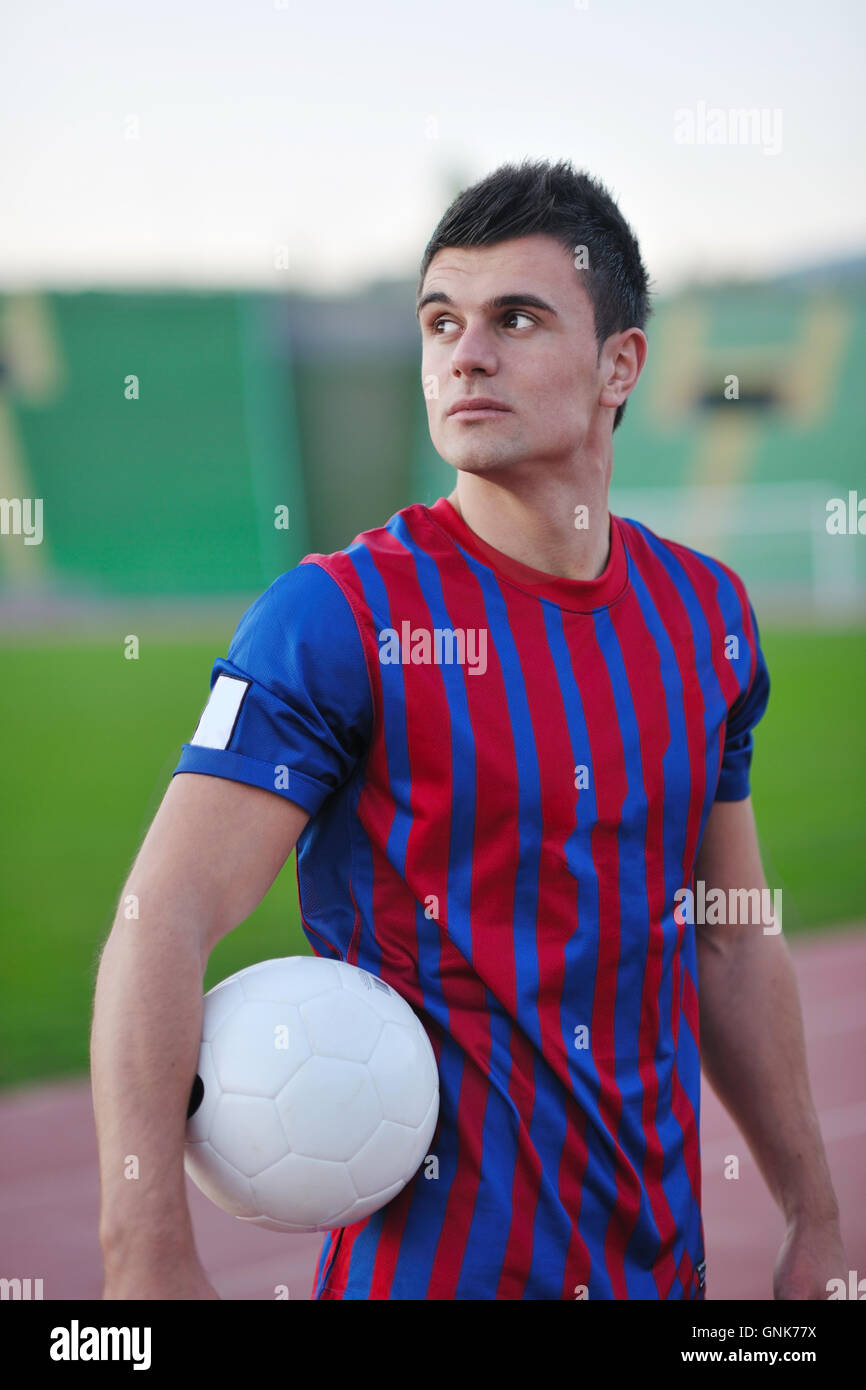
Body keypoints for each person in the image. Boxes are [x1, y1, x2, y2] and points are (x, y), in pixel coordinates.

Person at [92, 157, 845, 1300]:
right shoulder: (337, 618)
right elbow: (164, 914)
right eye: (441, 319)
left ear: (619, 364)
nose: (465, 352)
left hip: (662, 1276)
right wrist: (143, 1257)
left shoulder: (704, 617)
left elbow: (729, 937)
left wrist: (815, 1217)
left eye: (516, 318)